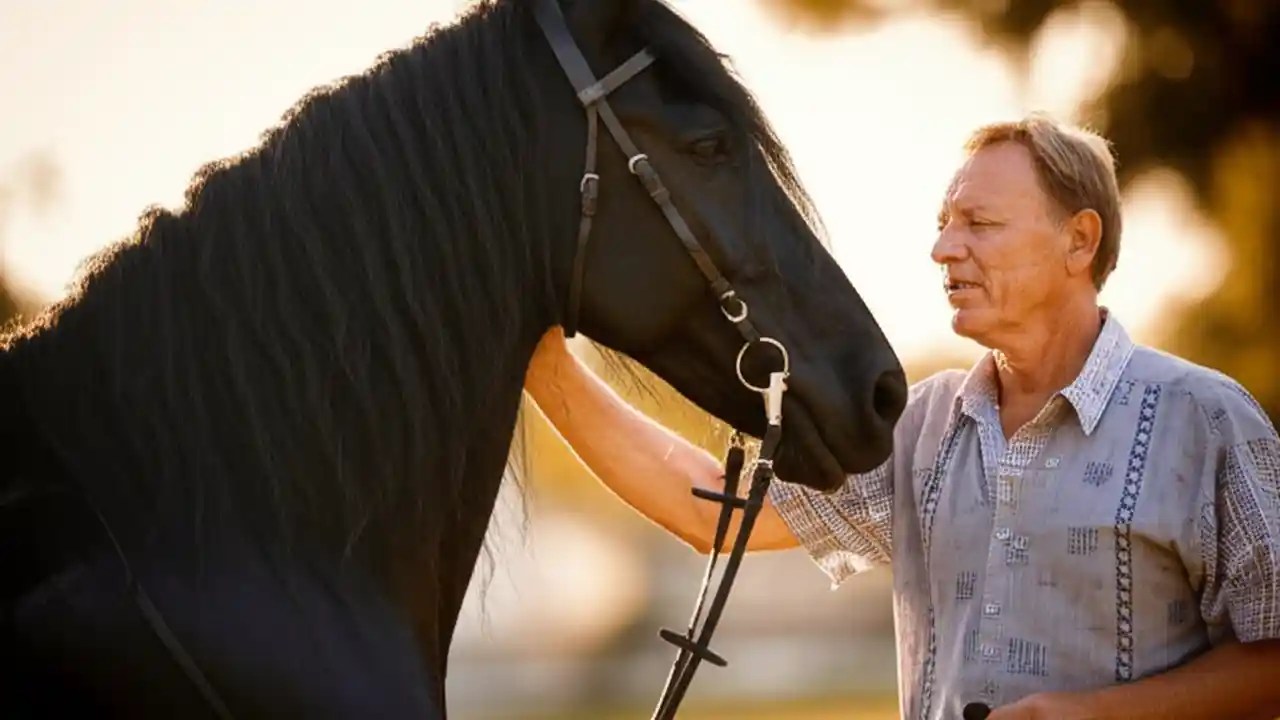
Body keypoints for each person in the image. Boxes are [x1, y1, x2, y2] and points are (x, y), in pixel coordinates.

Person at [523, 114, 1280, 719]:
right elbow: (712, 514)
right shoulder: (922, 427)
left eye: (979, 224)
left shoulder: (1206, 421)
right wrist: (540, 360)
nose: (943, 248)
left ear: (1078, 240)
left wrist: (1093, 715)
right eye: (945, 222)